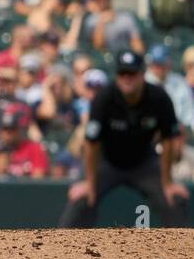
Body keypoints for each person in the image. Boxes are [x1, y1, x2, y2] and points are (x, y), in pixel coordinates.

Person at [61, 51, 188, 226]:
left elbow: (169, 140)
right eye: (122, 73)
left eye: (132, 73)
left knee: (173, 199)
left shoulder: (159, 97)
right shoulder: (104, 97)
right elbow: (91, 142)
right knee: (81, 198)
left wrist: (167, 182)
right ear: (116, 76)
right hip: (107, 161)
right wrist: (89, 183)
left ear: (143, 74)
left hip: (144, 162)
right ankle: (61, 252)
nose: (127, 78)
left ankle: (184, 252)